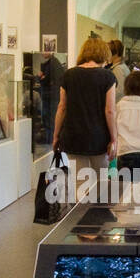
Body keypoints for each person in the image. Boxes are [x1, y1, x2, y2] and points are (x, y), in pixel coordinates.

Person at [53, 36, 118, 182]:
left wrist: (56, 135)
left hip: (73, 136)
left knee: (80, 183)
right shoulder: (108, 77)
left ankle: (82, 205)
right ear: (103, 54)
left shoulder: (69, 75)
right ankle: (99, 205)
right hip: (99, 138)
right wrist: (114, 139)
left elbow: (62, 107)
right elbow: (110, 110)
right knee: (101, 182)